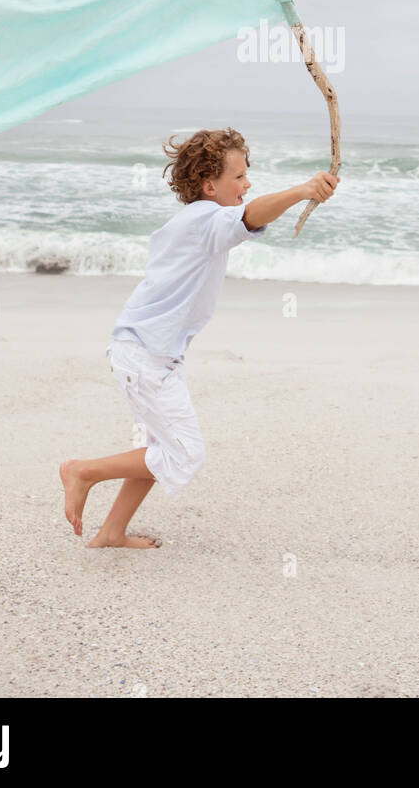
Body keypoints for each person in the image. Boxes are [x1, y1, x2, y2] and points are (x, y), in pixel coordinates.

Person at [59, 127, 339, 547]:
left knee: (159, 447)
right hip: (146, 358)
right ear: (210, 185)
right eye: (239, 177)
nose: (247, 184)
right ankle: (83, 471)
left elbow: (243, 215)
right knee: (184, 454)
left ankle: (112, 532)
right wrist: (303, 190)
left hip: (146, 353)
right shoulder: (208, 220)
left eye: (247, 175)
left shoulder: (193, 222)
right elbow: (252, 215)